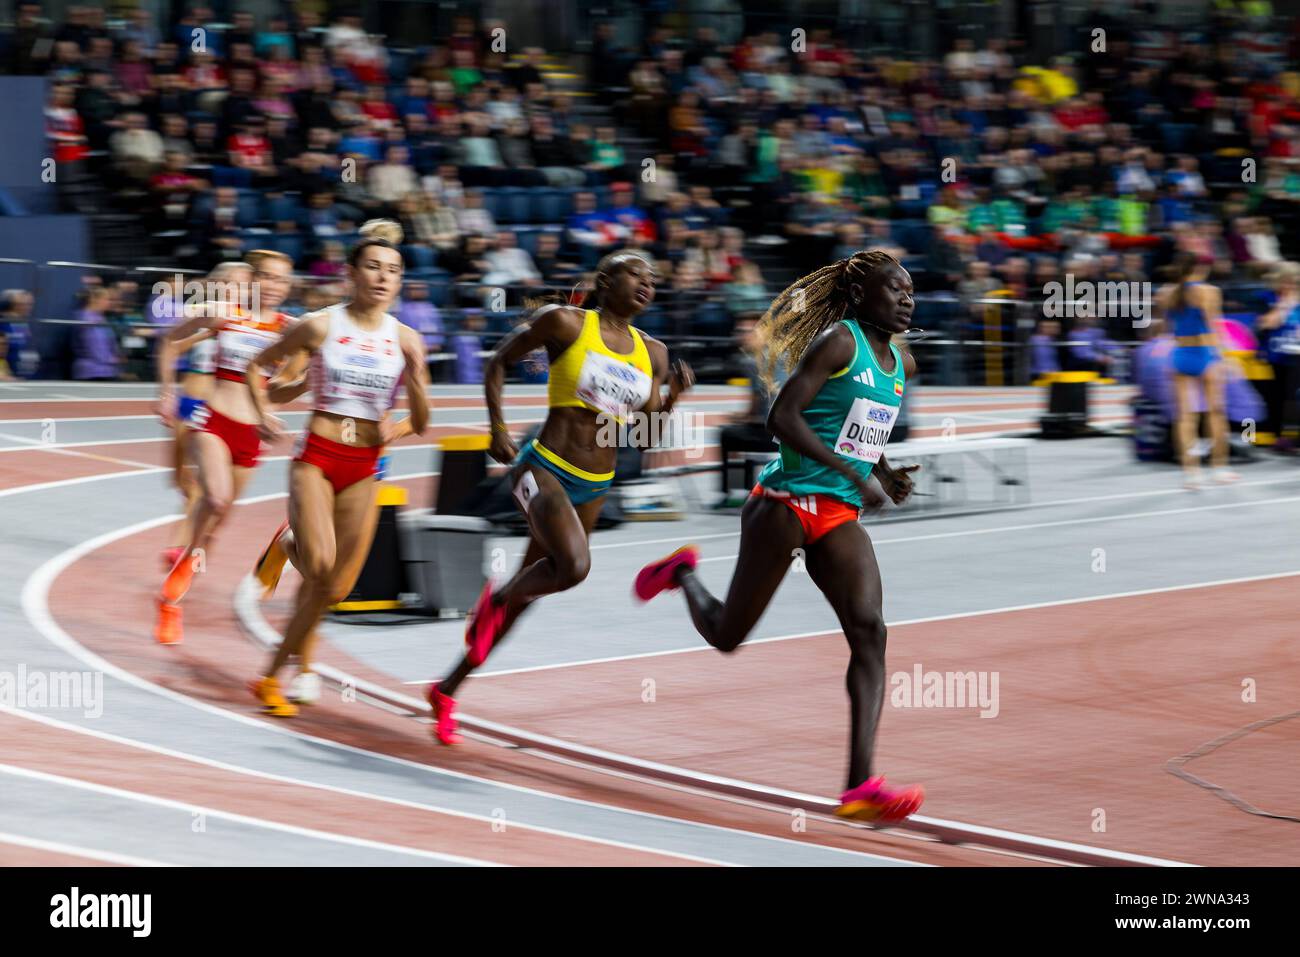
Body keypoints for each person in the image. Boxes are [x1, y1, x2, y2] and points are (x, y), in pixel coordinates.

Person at [633, 250, 926, 824]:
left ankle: (860, 784)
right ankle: (683, 573)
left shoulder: (901, 365)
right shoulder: (840, 343)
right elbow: (783, 419)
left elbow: (856, 428)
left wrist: (882, 469)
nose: (907, 299)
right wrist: (850, 472)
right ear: (862, 295)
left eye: (911, 291)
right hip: (784, 505)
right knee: (725, 635)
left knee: (871, 631)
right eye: (895, 290)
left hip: (838, 515)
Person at [423, 250, 694, 745]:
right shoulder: (566, 323)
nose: (647, 283)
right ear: (605, 279)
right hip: (541, 467)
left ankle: (446, 690)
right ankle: (495, 598)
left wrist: (671, 395)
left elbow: (643, 435)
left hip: (595, 484)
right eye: (636, 273)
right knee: (572, 567)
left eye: (652, 279)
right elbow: (498, 362)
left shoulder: (652, 352)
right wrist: (498, 429)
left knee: (526, 599)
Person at [246, 222, 429, 717]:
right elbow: (257, 369)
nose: (382, 277)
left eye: (393, 270)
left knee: (338, 589)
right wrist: (265, 409)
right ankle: (272, 680)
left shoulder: (408, 339)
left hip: (365, 464)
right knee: (322, 567)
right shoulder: (321, 324)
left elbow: (425, 421)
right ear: (350, 274)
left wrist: (407, 407)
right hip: (318, 458)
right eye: (372, 266)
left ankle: (286, 554)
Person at [153, 251, 297, 645]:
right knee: (212, 498)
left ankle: (172, 599)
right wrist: (166, 392)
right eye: (265, 277)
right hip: (213, 420)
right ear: (251, 280)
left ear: (289, 287)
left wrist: (270, 412)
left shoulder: (291, 329)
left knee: (215, 527)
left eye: (281, 280)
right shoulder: (223, 311)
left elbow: (292, 382)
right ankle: (182, 564)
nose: (272, 286)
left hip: (251, 436)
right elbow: (170, 340)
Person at [1159, 252, 1237, 488]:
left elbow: (1166, 327)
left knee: (1185, 418)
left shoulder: (1167, 293)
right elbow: (1214, 327)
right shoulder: (1209, 291)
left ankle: (1191, 474)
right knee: (1216, 413)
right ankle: (1219, 468)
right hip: (1205, 354)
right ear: (1200, 268)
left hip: (1180, 354)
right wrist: (1226, 358)